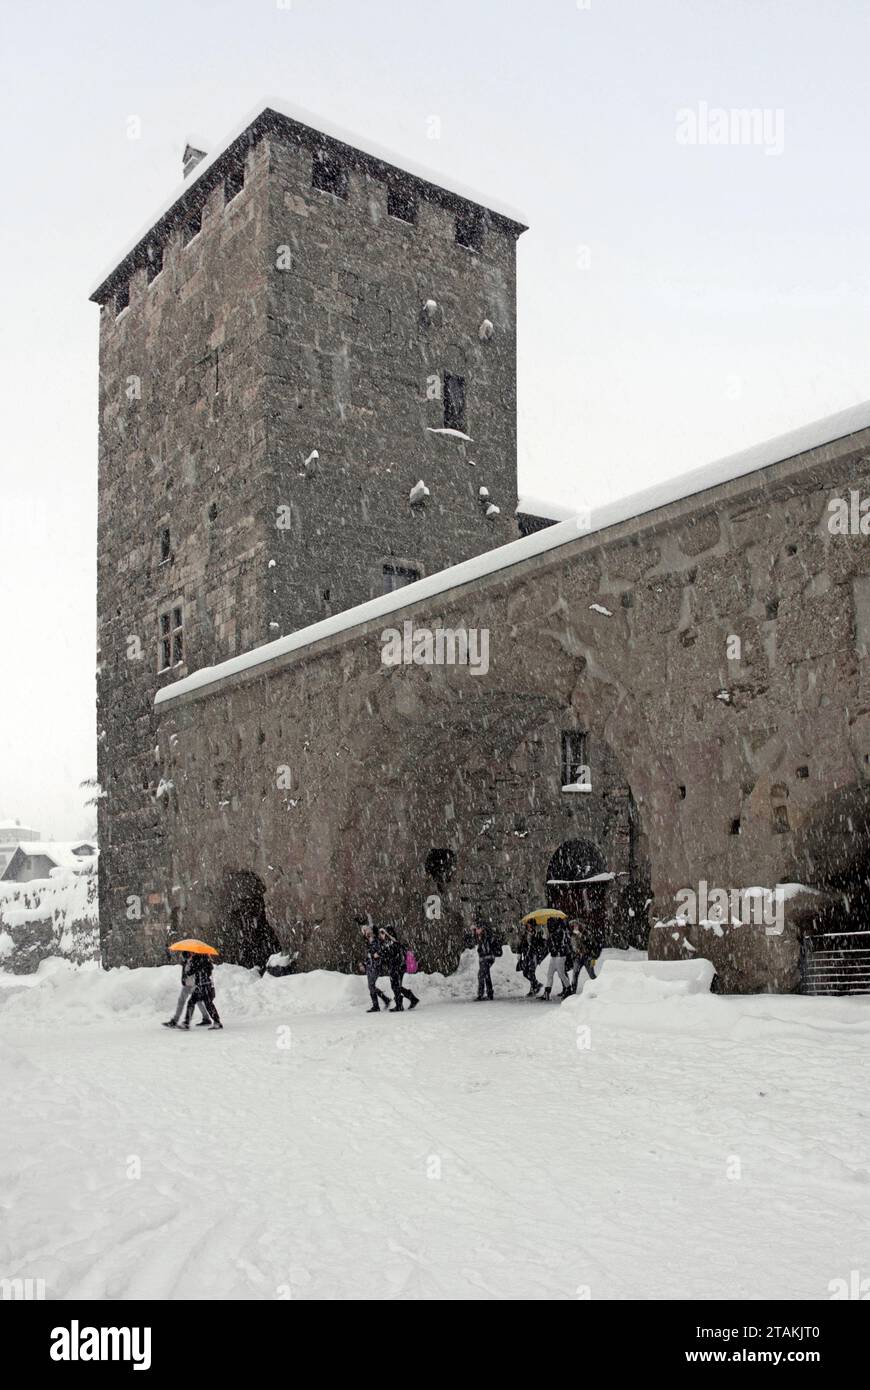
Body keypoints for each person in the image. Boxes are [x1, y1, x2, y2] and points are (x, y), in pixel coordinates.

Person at [163, 951, 212, 1028]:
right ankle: (175, 1020)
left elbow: (194, 972)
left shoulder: (196, 960)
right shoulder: (186, 961)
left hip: (194, 985)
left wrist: (195, 981)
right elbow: (185, 973)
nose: (183, 958)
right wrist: (183, 979)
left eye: (184, 956)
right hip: (187, 985)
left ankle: (204, 1019)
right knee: (181, 1001)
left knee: (197, 1002)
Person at [377, 927, 419, 1012]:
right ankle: (411, 999)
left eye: (382, 933)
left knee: (395, 986)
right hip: (398, 967)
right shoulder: (392, 942)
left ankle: (400, 1005)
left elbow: (390, 956)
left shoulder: (392, 943)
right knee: (396, 986)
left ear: (387, 933)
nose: (381, 936)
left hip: (397, 967)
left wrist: (381, 955)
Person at [358, 919, 391, 1013]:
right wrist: (363, 964)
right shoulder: (367, 942)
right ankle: (383, 1000)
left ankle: (378, 1004)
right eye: (364, 931)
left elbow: (381, 951)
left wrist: (376, 955)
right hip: (369, 966)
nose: (365, 932)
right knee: (370, 986)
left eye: (366, 930)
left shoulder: (376, 940)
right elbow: (368, 955)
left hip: (376, 966)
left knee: (371, 985)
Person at [183, 953, 223, 1029]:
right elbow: (191, 972)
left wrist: (193, 965)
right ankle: (186, 1023)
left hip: (205, 985)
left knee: (208, 1004)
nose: (191, 954)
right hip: (201, 985)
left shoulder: (200, 959)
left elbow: (190, 972)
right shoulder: (202, 959)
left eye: (192, 952)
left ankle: (217, 1022)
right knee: (191, 1002)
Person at [468, 923, 502, 1000]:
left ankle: (481, 994)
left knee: (481, 974)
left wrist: (488, 954)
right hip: (483, 959)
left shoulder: (487, 936)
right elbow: (475, 946)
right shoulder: (479, 936)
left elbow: (490, 948)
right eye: (475, 930)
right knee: (486, 974)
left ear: (481, 929)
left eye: (477, 929)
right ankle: (489, 994)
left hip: (489, 958)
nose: (476, 931)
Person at [542, 917, 571, 1000]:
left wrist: (549, 940)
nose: (548, 926)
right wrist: (547, 939)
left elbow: (557, 944)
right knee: (549, 974)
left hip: (560, 956)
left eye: (549, 924)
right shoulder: (553, 932)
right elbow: (550, 946)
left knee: (561, 974)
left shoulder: (560, 932)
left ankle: (568, 989)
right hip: (554, 956)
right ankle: (547, 992)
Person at [568, 918, 598, 994]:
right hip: (577, 958)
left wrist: (581, 936)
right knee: (575, 974)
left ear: (579, 925)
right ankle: (573, 992)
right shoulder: (572, 935)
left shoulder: (585, 932)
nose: (575, 927)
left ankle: (598, 988)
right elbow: (572, 946)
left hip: (587, 957)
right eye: (573, 926)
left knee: (592, 975)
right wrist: (575, 952)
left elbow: (591, 942)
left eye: (576, 925)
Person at [516, 922, 546, 996]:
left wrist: (534, 940)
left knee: (531, 972)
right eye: (528, 925)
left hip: (534, 956)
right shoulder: (524, 935)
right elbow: (520, 945)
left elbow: (542, 944)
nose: (529, 927)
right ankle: (536, 984)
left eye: (530, 925)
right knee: (525, 973)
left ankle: (533, 989)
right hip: (526, 955)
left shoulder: (537, 934)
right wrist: (519, 953)